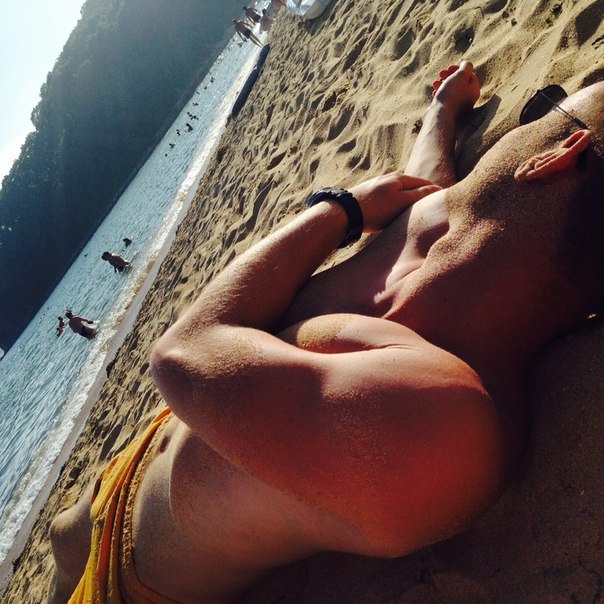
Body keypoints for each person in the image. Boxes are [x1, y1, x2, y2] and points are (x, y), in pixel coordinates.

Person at [48, 62, 603, 603]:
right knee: (62, 536)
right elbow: (422, 189)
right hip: (132, 466)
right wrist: (443, 109)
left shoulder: (449, 422)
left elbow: (180, 354)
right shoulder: (448, 224)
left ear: (557, 155)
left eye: (545, 109)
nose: (525, 122)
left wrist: (338, 210)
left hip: (133, 578)